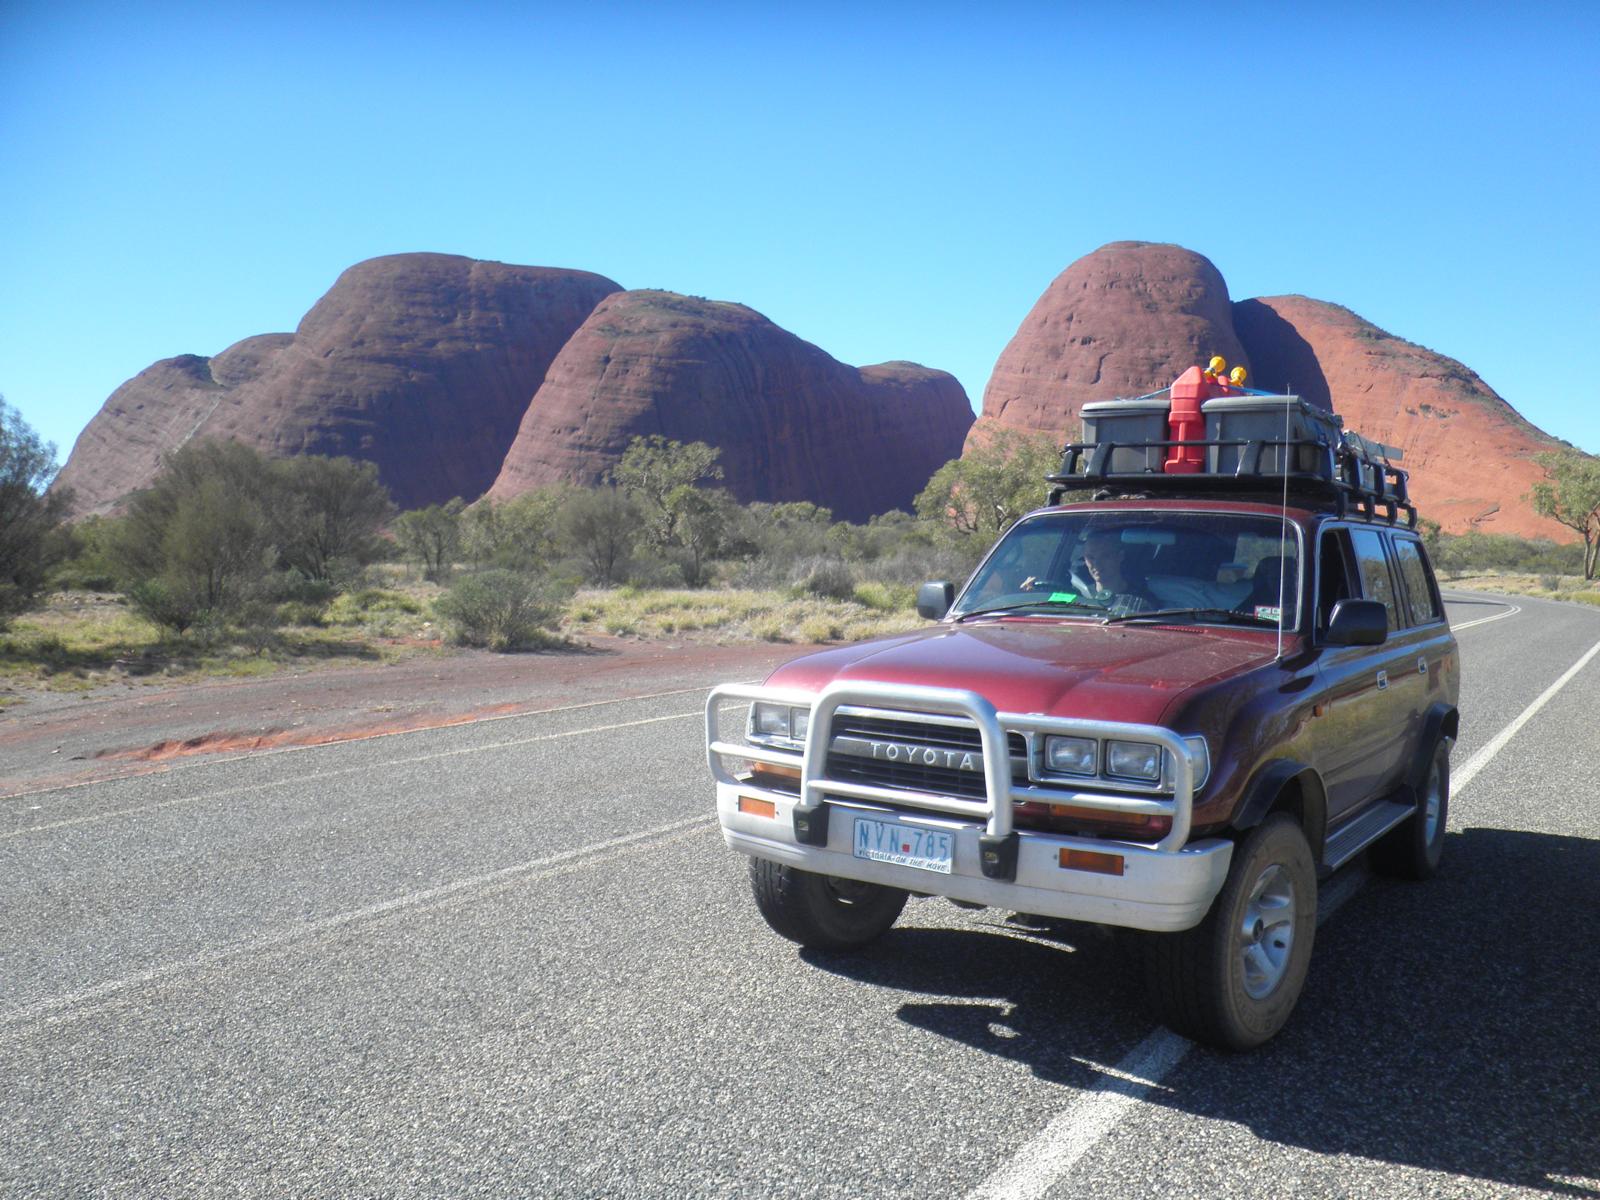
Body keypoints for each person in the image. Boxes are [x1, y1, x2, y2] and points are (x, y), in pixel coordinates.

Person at [1077, 531, 1152, 616]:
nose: (1097, 564)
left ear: (1120, 556)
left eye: (1105, 556)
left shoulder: (1142, 602)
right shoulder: (1078, 596)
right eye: (1090, 557)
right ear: (1084, 559)